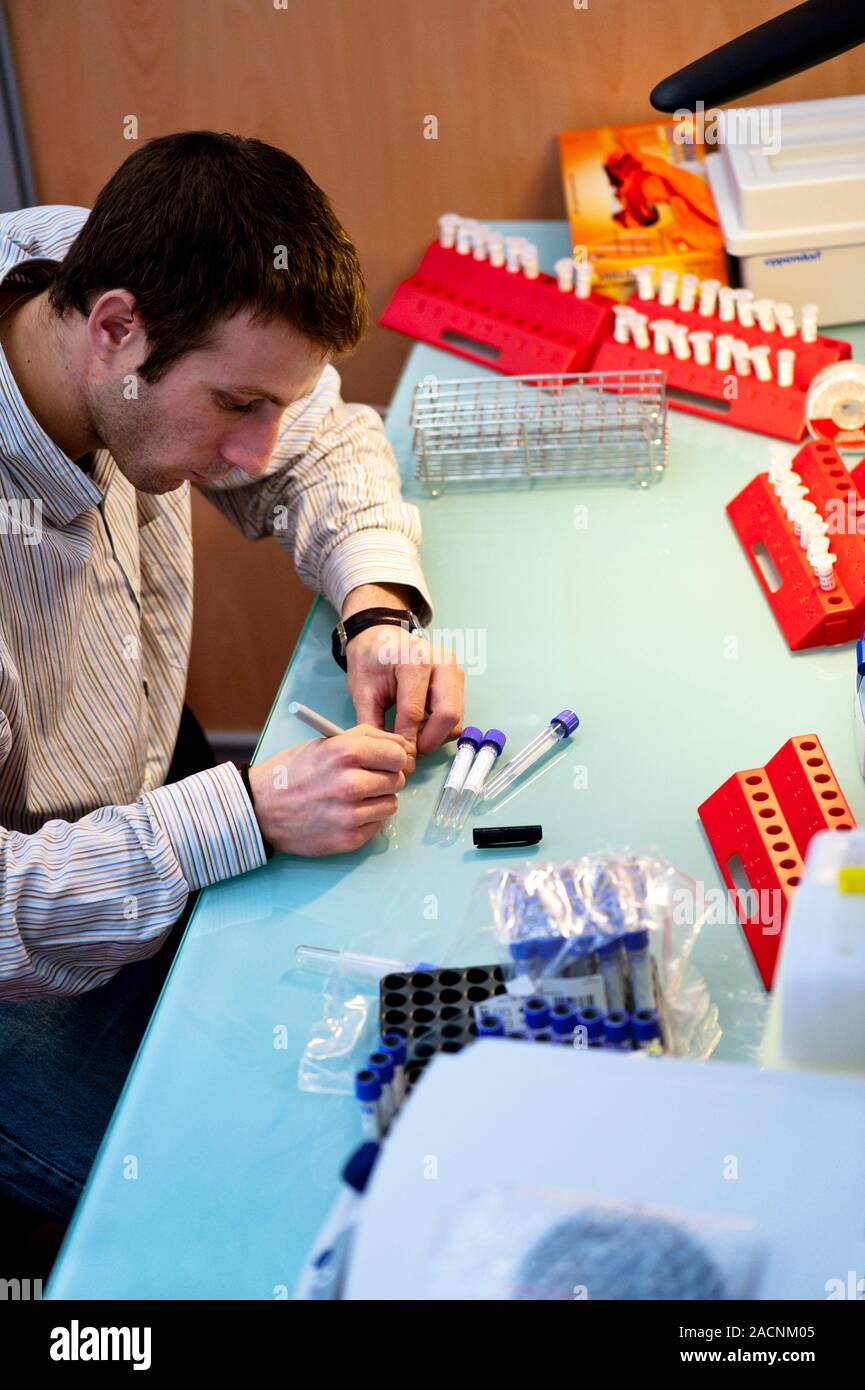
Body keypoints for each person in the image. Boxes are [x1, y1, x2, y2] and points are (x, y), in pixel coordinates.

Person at [0, 131, 464, 1223]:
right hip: (20, 963)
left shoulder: (90, 272)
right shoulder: (125, 318)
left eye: (267, 403)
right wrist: (240, 815)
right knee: (266, 1213)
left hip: (146, 794)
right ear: (114, 331)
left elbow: (320, 431)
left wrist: (376, 605)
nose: (260, 448)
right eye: (236, 408)